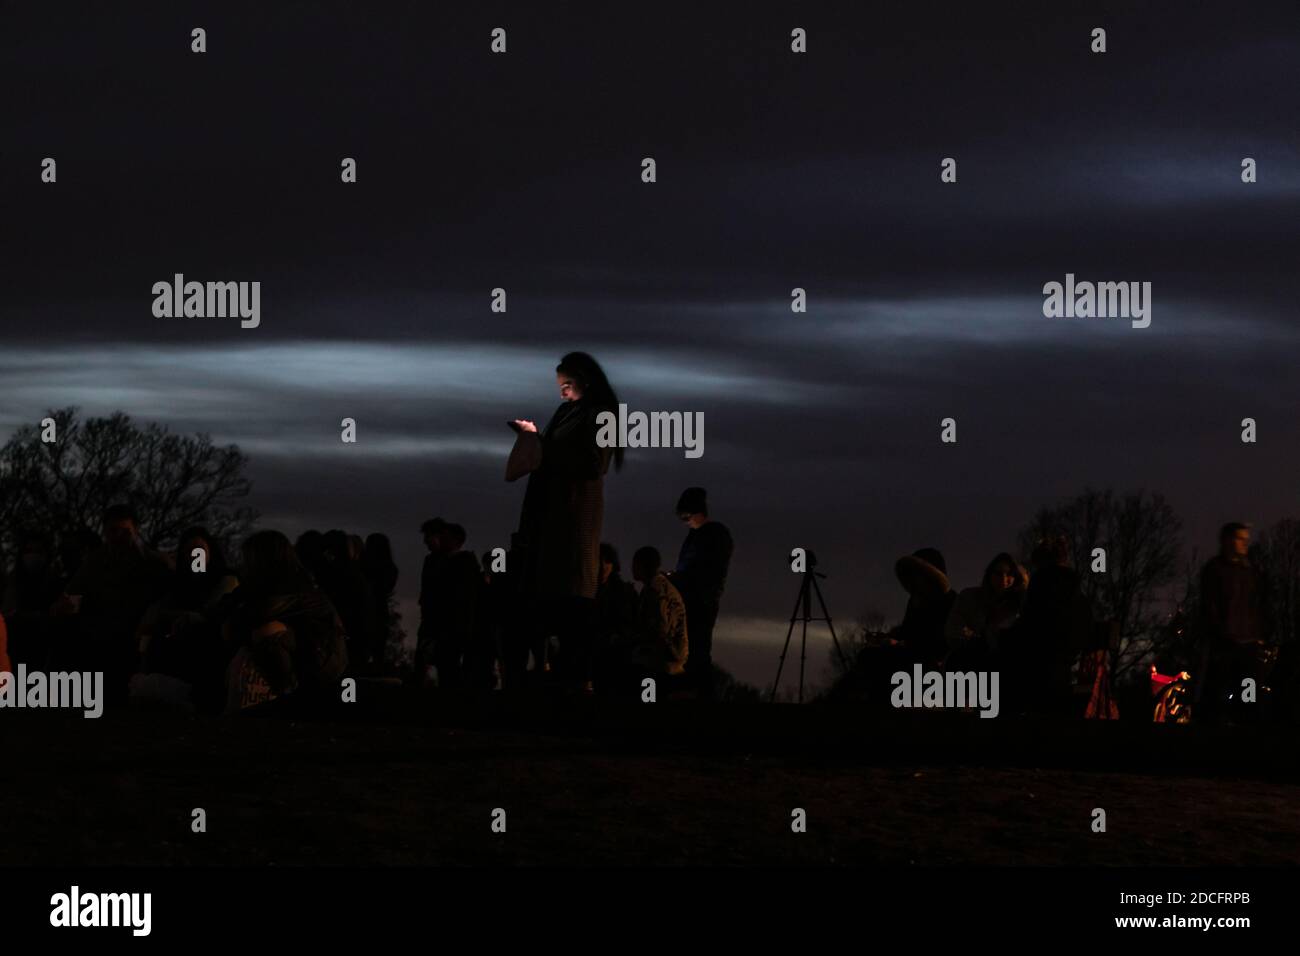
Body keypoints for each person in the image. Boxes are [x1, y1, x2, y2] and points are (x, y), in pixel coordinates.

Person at [511, 352, 622, 692]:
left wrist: (545, 448)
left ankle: (578, 678)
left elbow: (594, 464)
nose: (561, 392)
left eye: (567, 385)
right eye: (559, 386)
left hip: (576, 517)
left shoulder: (602, 415)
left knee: (573, 598)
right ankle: (551, 674)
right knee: (549, 598)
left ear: (585, 382)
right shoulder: (566, 412)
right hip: (551, 516)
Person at [52, 504, 170, 698]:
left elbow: (167, 596)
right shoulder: (94, 562)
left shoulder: (153, 563)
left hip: (137, 632)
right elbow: (72, 594)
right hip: (98, 632)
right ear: (105, 532)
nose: (119, 537)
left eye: (125, 531)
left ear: (136, 531)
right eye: (113, 531)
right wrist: (63, 606)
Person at [224, 530, 348, 712]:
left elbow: (245, 623)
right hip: (309, 667)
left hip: (314, 672)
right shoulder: (259, 591)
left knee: (263, 641)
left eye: (247, 561)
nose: (242, 567)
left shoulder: (294, 594)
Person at [132, 527, 239, 712]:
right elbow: (157, 609)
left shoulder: (225, 579)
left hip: (210, 641)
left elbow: (210, 612)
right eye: (189, 551)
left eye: (199, 550)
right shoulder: (178, 582)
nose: (194, 556)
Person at [1198, 522, 1271, 719]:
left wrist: (1260, 634)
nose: (1245, 544)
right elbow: (1209, 606)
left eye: (1246, 540)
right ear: (1227, 541)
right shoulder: (1215, 570)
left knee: (1250, 693)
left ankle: (1248, 727)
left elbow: (1258, 605)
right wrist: (1219, 633)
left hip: (1248, 642)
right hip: (1225, 643)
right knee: (1219, 693)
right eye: (1240, 539)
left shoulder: (1251, 572)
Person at [670, 487, 733, 695]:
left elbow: (706, 572)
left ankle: (703, 695)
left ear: (698, 513)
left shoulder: (714, 536)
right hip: (691, 601)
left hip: (701, 603)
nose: (685, 522)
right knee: (691, 652)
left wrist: (681, 580)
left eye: (686, 517)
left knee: (698, 652)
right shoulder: (696, 536)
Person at [944, 552, 1027, 669]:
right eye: (998, 573)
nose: (1004, 579)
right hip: (969, 665)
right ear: (989, 574)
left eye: (1010, 574)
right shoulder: (969, 597)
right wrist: (981, 641)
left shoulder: (1019, 605)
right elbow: (953, 630)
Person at [629, 546, 689, 679]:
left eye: (635, 564)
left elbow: (660, 628)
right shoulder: (657, 587)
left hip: (666, 657)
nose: (632, 568)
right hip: (669, 653)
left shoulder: (656, 591)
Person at [890, 548, 956, 668]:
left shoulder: (950, 600)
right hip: (911, 655)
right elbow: (907, 630)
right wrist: (890, 638)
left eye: (919, 572)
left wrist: (906, 644)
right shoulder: (915, 600)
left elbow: (943, 639)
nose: (915, 577)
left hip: (934, 661)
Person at [593, 542, 638, 689]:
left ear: (613, 564)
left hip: (618, 655)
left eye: (607, 561)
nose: (602, 566)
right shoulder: (587, 590)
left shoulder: (624, 591)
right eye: (599, 560)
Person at [362, 533, 400, 672]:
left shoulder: (364, 567)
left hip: (367, 611)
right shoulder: (390, 569)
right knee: (379, 650)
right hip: (380, 611)